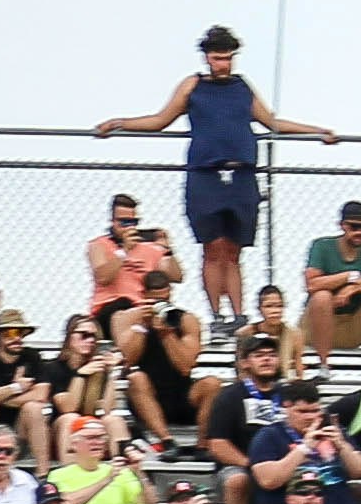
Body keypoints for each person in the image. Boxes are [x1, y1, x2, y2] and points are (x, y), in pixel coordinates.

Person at [95, 27, 327, 326]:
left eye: (228, 58)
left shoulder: (242, 87)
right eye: (218, 58)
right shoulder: (192, 86)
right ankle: (217, 315)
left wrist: (317, 132)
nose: (223, 65)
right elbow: (160, 120)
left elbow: (272, 122)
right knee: (212, 247)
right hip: (206, 175)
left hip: (241, 175)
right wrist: (120, 123)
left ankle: (239, 315)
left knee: (233, 251)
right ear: (207, 58)